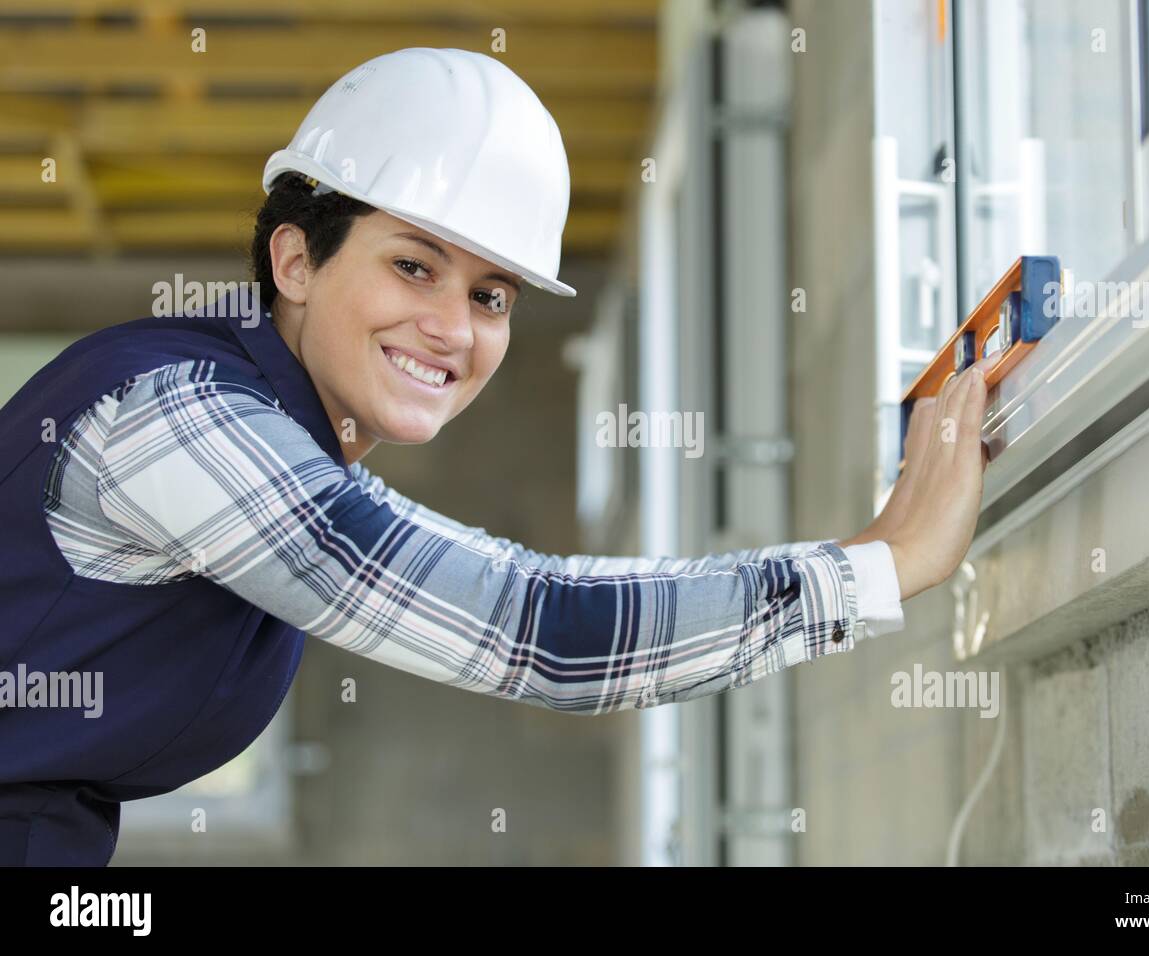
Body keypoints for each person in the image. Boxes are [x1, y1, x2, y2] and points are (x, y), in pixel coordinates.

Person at [0, 48, 993, 866]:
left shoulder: (278, 437)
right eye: (413, 265)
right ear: (295, 259)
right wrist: (882, 564)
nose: (450, 328)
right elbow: (542, 628)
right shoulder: (183, 417)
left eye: (489, 295)